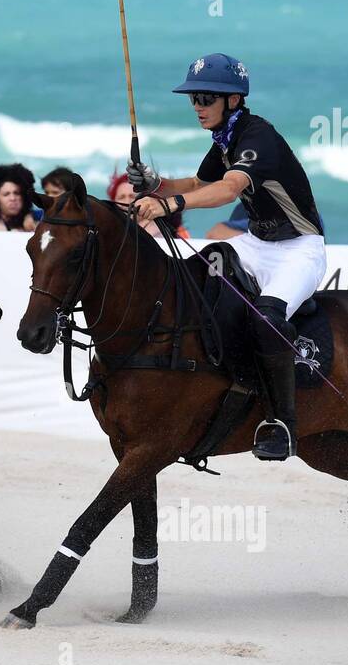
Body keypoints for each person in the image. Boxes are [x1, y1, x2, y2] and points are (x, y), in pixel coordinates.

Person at [128, 53, 326, 461]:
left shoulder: (257, 137)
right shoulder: (223, 139)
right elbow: (200, 181)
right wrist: (156, 183)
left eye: (205, 98)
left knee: (268, 320)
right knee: (196, 277)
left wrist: (169, 205)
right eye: (193, 98)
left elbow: (228, 189)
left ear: (233, 100)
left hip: (298, 250)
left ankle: (281, 424)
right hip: (255, 245)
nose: (197, 106)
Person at [107, 171, 188, 240]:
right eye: (121, 197)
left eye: (132, 197)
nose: (127, 202)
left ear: (146, 200)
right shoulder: (110, 229)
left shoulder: (157, 231)